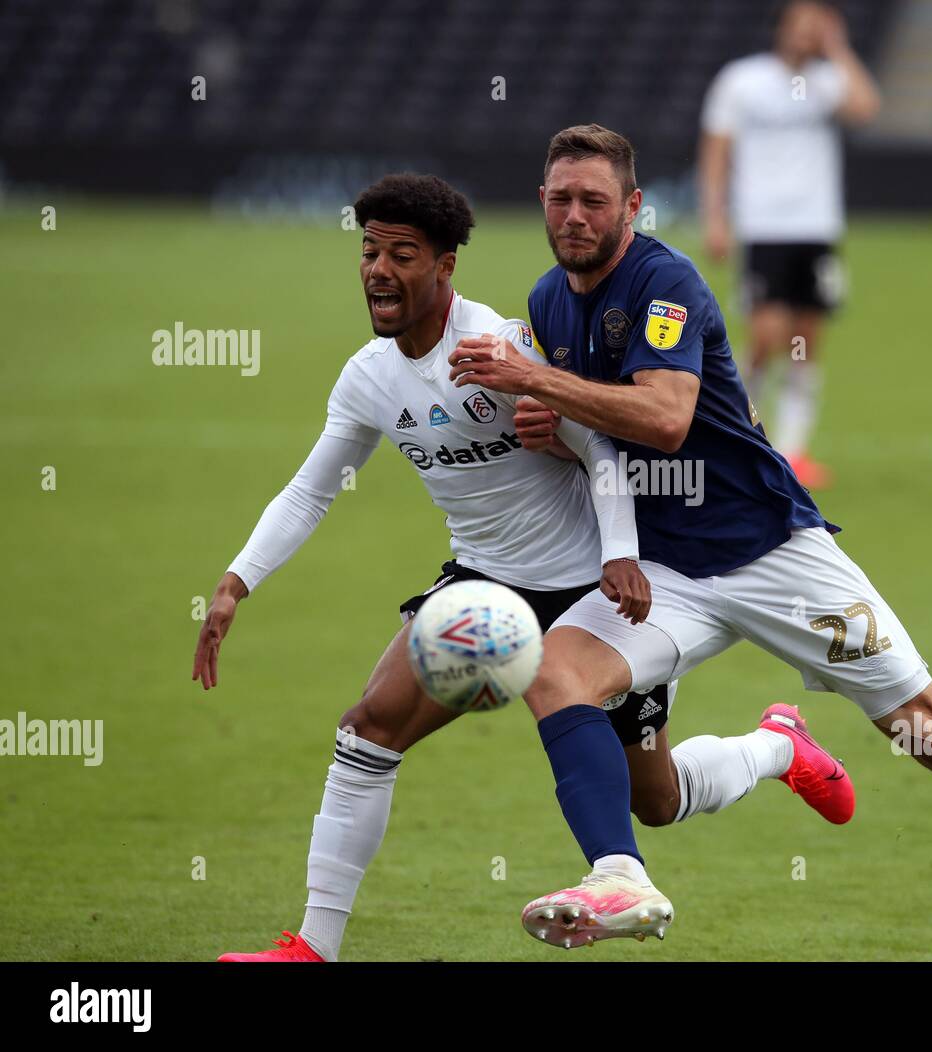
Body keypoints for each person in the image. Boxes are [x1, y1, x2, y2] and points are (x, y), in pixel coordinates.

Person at [449, 126, 932, 961]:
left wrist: (535, 381)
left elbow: (667, 419)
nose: (575, 216)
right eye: (562, 199)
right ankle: (623, 876)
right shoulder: (547, 300)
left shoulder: (664, 282)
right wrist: (555, 430)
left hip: (772, 554)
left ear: (632, 207)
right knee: (557, 677)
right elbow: (599, 436)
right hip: (666, 571)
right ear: (541, 200)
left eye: (594, 201)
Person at [199, 173, 851, 963]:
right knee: (368, 731)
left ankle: (778, 747)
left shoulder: (504, 348)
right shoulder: (368, 378)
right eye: (369, 252)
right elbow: (310, 491)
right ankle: (313, 947)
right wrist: (235, 583)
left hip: (590, 593)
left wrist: (621, 554)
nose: (378, 270)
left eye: (402, 255)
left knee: (656, 798)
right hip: (484, 588)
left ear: (445, 267)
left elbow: (601, 449)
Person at [698, 0, 881, 488]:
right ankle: (737, 434)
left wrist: (838, 49)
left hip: (816, 229)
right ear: (781, 27)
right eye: (799, 24)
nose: (805, 33)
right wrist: (715, 217)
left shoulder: (828, 81)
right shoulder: (743, 80)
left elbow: (867, 107)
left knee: (806, 343)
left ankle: (793, 452)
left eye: (815, 26)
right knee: (765, 338)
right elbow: (716, 150)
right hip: (763, 229)